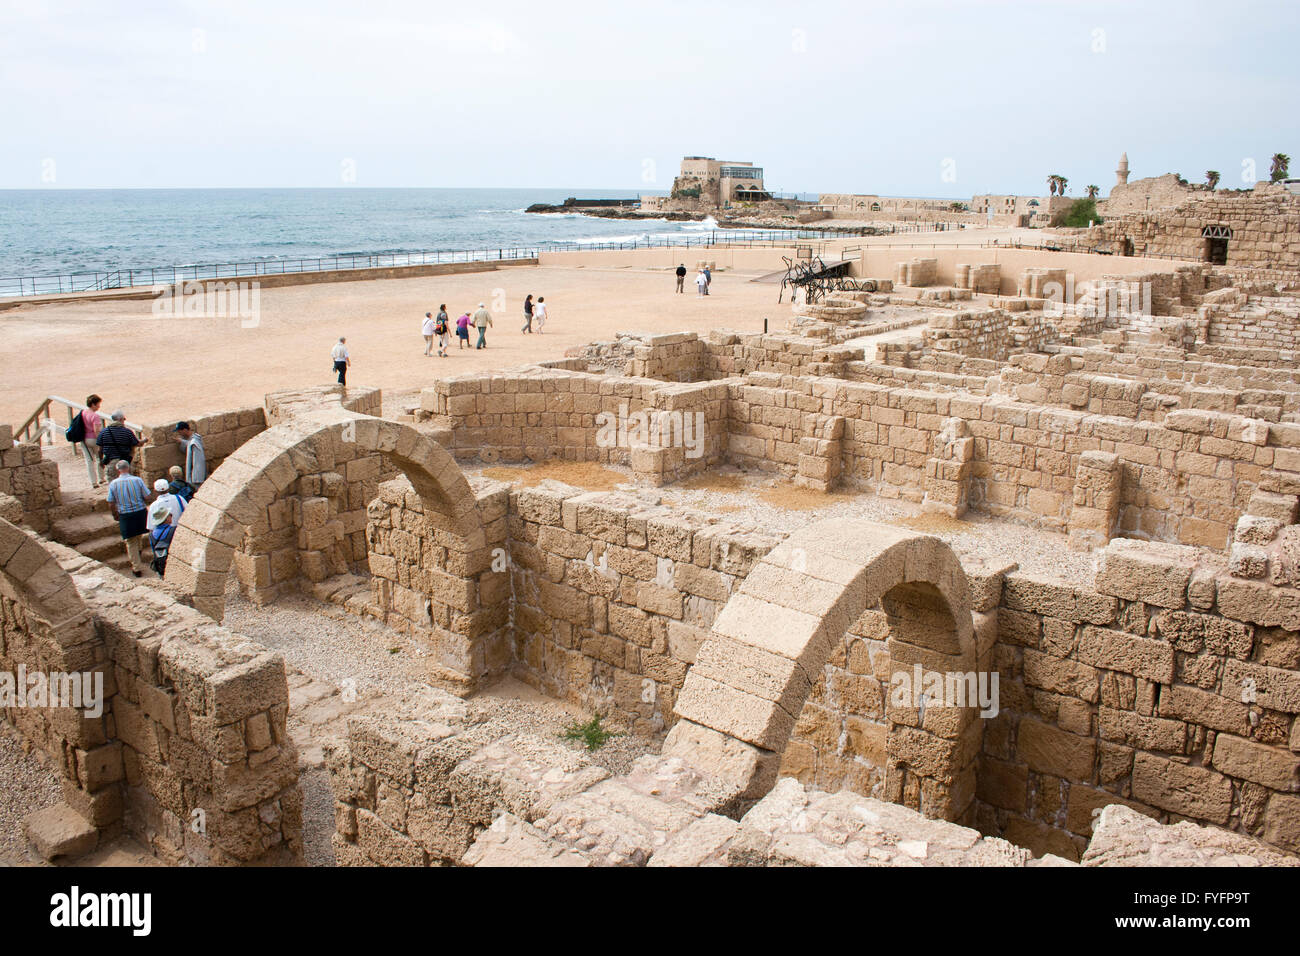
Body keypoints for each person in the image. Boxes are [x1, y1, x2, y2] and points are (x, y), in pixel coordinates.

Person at [106, 459, 151, 578]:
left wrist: (114, 514)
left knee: (130, 541)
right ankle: (139, 553)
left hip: (125, 514)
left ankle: (137, 568)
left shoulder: (114, 484)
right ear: (128, 468)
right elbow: (147, 496)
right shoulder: (137, 480)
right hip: (140, 512)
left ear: (118, 470)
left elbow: (110, 502)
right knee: (139, 535)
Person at [78, 394, 106, 487]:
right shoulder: (95, 416)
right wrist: (100, 441)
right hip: (93, 439)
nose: (99, 406)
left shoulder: (83, 413)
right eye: (98, 404)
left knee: (89, 460)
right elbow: (96, 430)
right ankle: (101, 478)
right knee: (99, 458)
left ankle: (93, 482)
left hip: (84, 439)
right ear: (93, 404)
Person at [173, 421, 207, 487]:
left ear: (185, 430)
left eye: (180, 431)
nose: (179, 433)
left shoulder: (195, 441)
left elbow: (198, 461)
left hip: (196, 478)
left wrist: (196, 478)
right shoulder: (191, 440)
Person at [148, 502, 176, 577]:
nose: (171, 516)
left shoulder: (151, 535)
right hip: (172, 565)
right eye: (170, 515)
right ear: (166, 519)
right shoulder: (173, 530)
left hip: (160, 565)